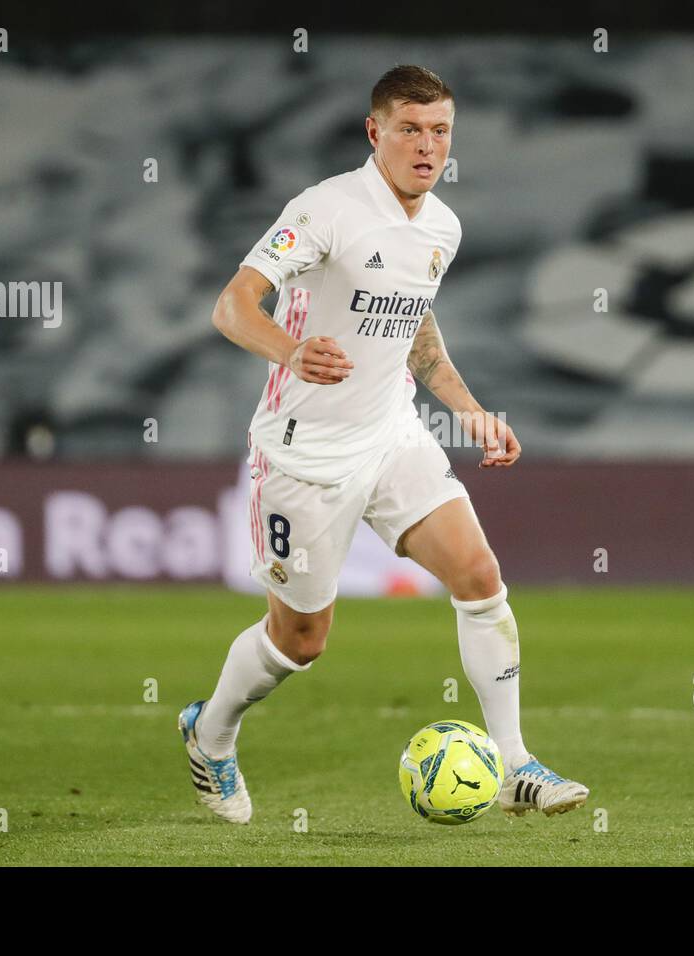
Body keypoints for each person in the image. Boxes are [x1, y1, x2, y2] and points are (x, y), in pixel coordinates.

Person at [180, 64, 589, 823]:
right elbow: (232, 305)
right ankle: (211, 734)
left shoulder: (442, 227)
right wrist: (291, 350)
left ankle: (512, 764)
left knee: (477, 574)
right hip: (303, 455)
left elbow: (414, 328)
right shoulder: (328, 208)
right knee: (300, 640)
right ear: (376, 133)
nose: (427, 146)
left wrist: (468, 410)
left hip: (392, 433)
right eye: (410, 129)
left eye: (440, 131)